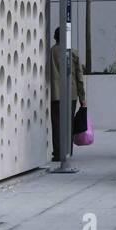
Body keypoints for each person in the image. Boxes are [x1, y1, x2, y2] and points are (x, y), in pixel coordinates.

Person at [47, 27, 86, 163]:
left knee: (56, 123)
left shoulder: (51, 51)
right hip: (71, 93)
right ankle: (67, 151)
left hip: (55, 93)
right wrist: (83, 98)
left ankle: (57, 152)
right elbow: (79, 76)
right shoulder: (73, 52)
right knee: (69, 122)